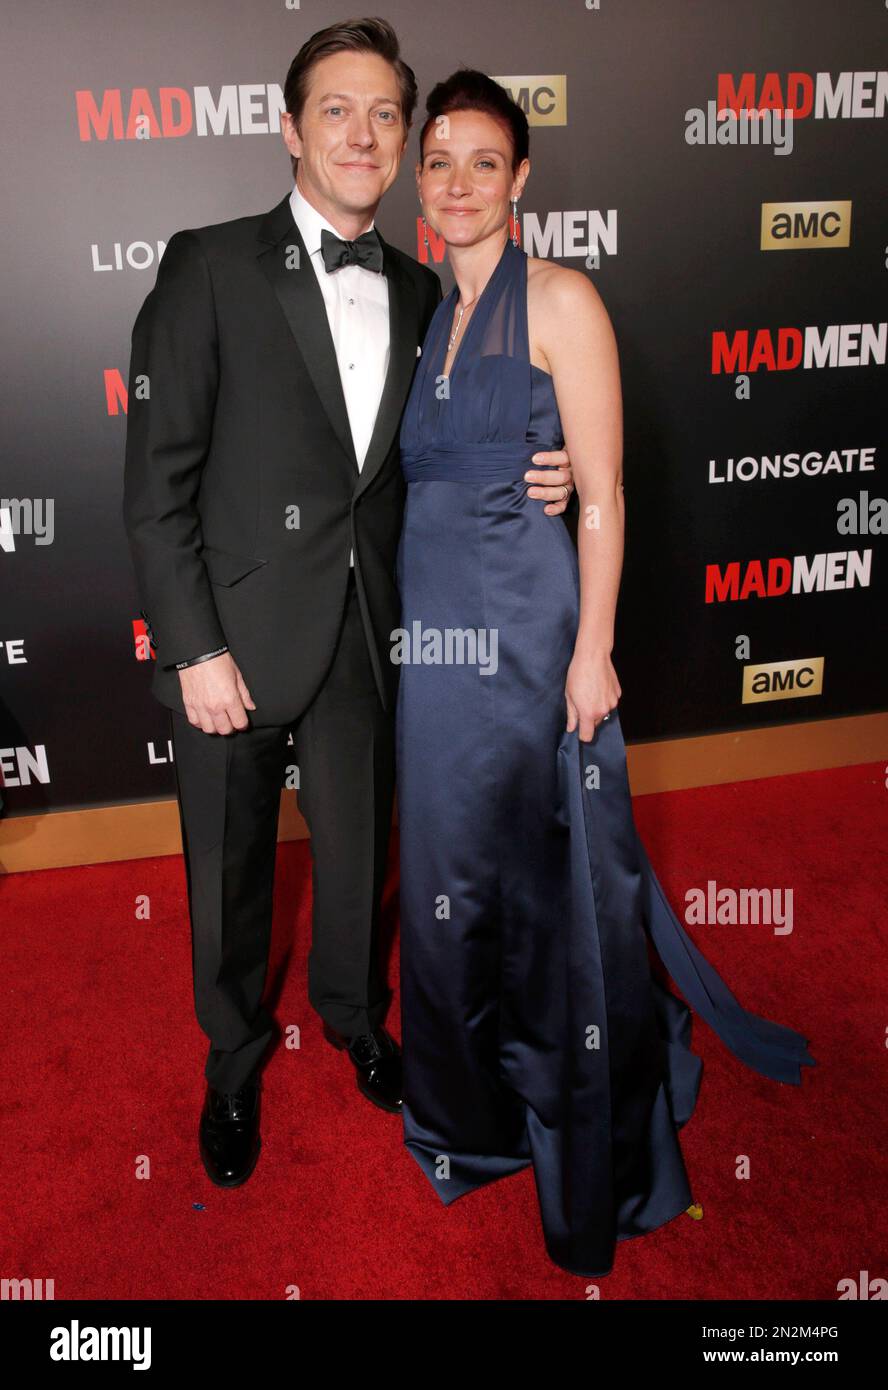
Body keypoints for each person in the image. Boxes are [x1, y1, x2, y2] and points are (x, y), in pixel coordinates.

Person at [122, 19, 575, 1189]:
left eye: (386, 113)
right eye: (337, 109)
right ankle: (230, 1060)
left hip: (375, 642)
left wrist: (551, 466)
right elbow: (157, 486)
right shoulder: (209, 264)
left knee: (363, 850)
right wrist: (194, 649)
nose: (365, 133)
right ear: (289, 128)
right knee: (227, 870)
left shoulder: (429, 290)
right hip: (235, 639)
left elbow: (457, 444)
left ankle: (353, 1018)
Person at [395, 68, 816, 1278]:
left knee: (545, 876)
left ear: (523, 180)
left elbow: (605, 491)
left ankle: (581, 1120)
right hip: (436, 650)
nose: (460, 182)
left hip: (530, 637)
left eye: (486, 162)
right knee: (453, 876)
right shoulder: (436, 312)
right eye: (442, 161)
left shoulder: (562, 300)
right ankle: (472, 1113)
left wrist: (591, 653)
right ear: (421, 182)